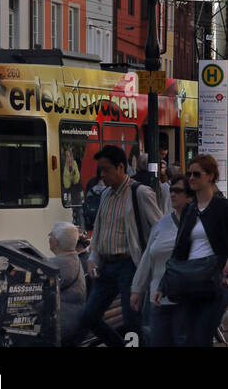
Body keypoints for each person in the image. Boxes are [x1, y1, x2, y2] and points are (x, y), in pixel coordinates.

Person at [77, 145, 161, 348]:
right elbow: (98, 231)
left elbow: (160, 228)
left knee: (132, 320)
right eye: (100, 171)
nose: (102, 175)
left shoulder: (140, 193)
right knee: (89, 316)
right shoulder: (106, 194)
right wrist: (92, 258)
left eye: (106, 170)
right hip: (106, 266)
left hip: (129, 265)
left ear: (121, 167)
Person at [169, 154, 228, 348]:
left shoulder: (224, 207)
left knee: (201, 337)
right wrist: (164, 285)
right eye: (189, 174)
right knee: (186, 338)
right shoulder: (190, 209)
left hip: (213, 282)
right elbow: (179, 249)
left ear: (211, 176)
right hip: (188, 281)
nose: (191, 178)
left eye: (197, 174)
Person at [130, 173, 193, 347]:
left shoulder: (201, 224)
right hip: (158, 299)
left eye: (178, 191)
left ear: (190, 196)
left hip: (189, 299)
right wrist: (137, 289)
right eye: (171, 190)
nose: (172, 194)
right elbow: (147, 258)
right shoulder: (161, 224)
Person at [48, 222, 86, 344]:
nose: (49, 239)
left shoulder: (58, 264)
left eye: (50, 236)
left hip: (63, 325)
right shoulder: (74, 259)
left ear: (55, 242)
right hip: (76, 320)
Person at [82, 165, 105, 232]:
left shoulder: (91, 182)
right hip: (103, 219)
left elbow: (86, 197)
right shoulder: (107, 183)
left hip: (90, 218)